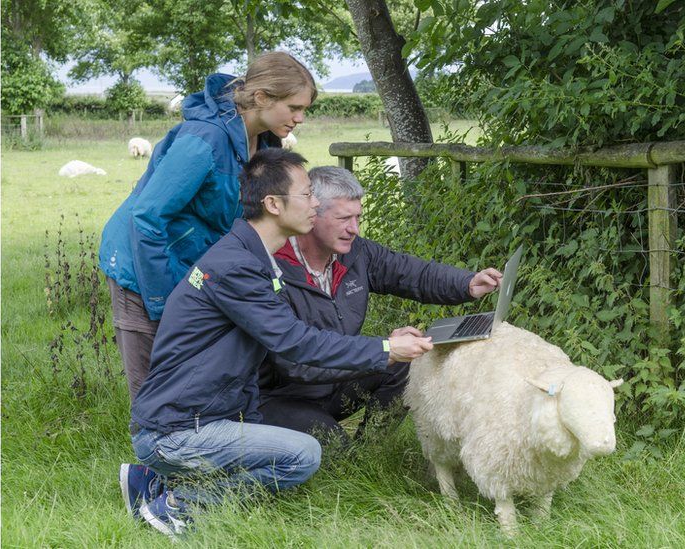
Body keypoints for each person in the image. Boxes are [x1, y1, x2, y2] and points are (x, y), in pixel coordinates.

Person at [120, 149, 434, 539]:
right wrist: (385, 350)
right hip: (178, 429)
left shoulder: (251, 254)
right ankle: (178, 504)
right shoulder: (238, 266)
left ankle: (151, 479)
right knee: (303, 455)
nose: (315, 203)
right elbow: (296, 343)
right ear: (272, 204)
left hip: (200, 416)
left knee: (289, 451)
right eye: (306, 194)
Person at [99, 51, 317, 401]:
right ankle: (148, 452)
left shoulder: (264, 142)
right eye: (294, 107)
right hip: (144, 263)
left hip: (192, 264)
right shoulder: (203, 140)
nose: (300, 118)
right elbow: (147, 217)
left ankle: (200, 447)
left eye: (304, 109)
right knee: (157, 383)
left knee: (195, 376)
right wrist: (165, 302)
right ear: (261, 97)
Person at [257, 166, 503, 439]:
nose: (354, 229)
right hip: (279, 396)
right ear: (312, 213)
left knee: (404, 364)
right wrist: (382, 349)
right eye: (343, 218)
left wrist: (467, 283)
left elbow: (411, 272)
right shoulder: (270, 270)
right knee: (333, 449)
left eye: (358, 217)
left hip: (335, 381)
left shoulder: (356, 253)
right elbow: (295, 363)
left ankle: (372, 449)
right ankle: (338, 449)